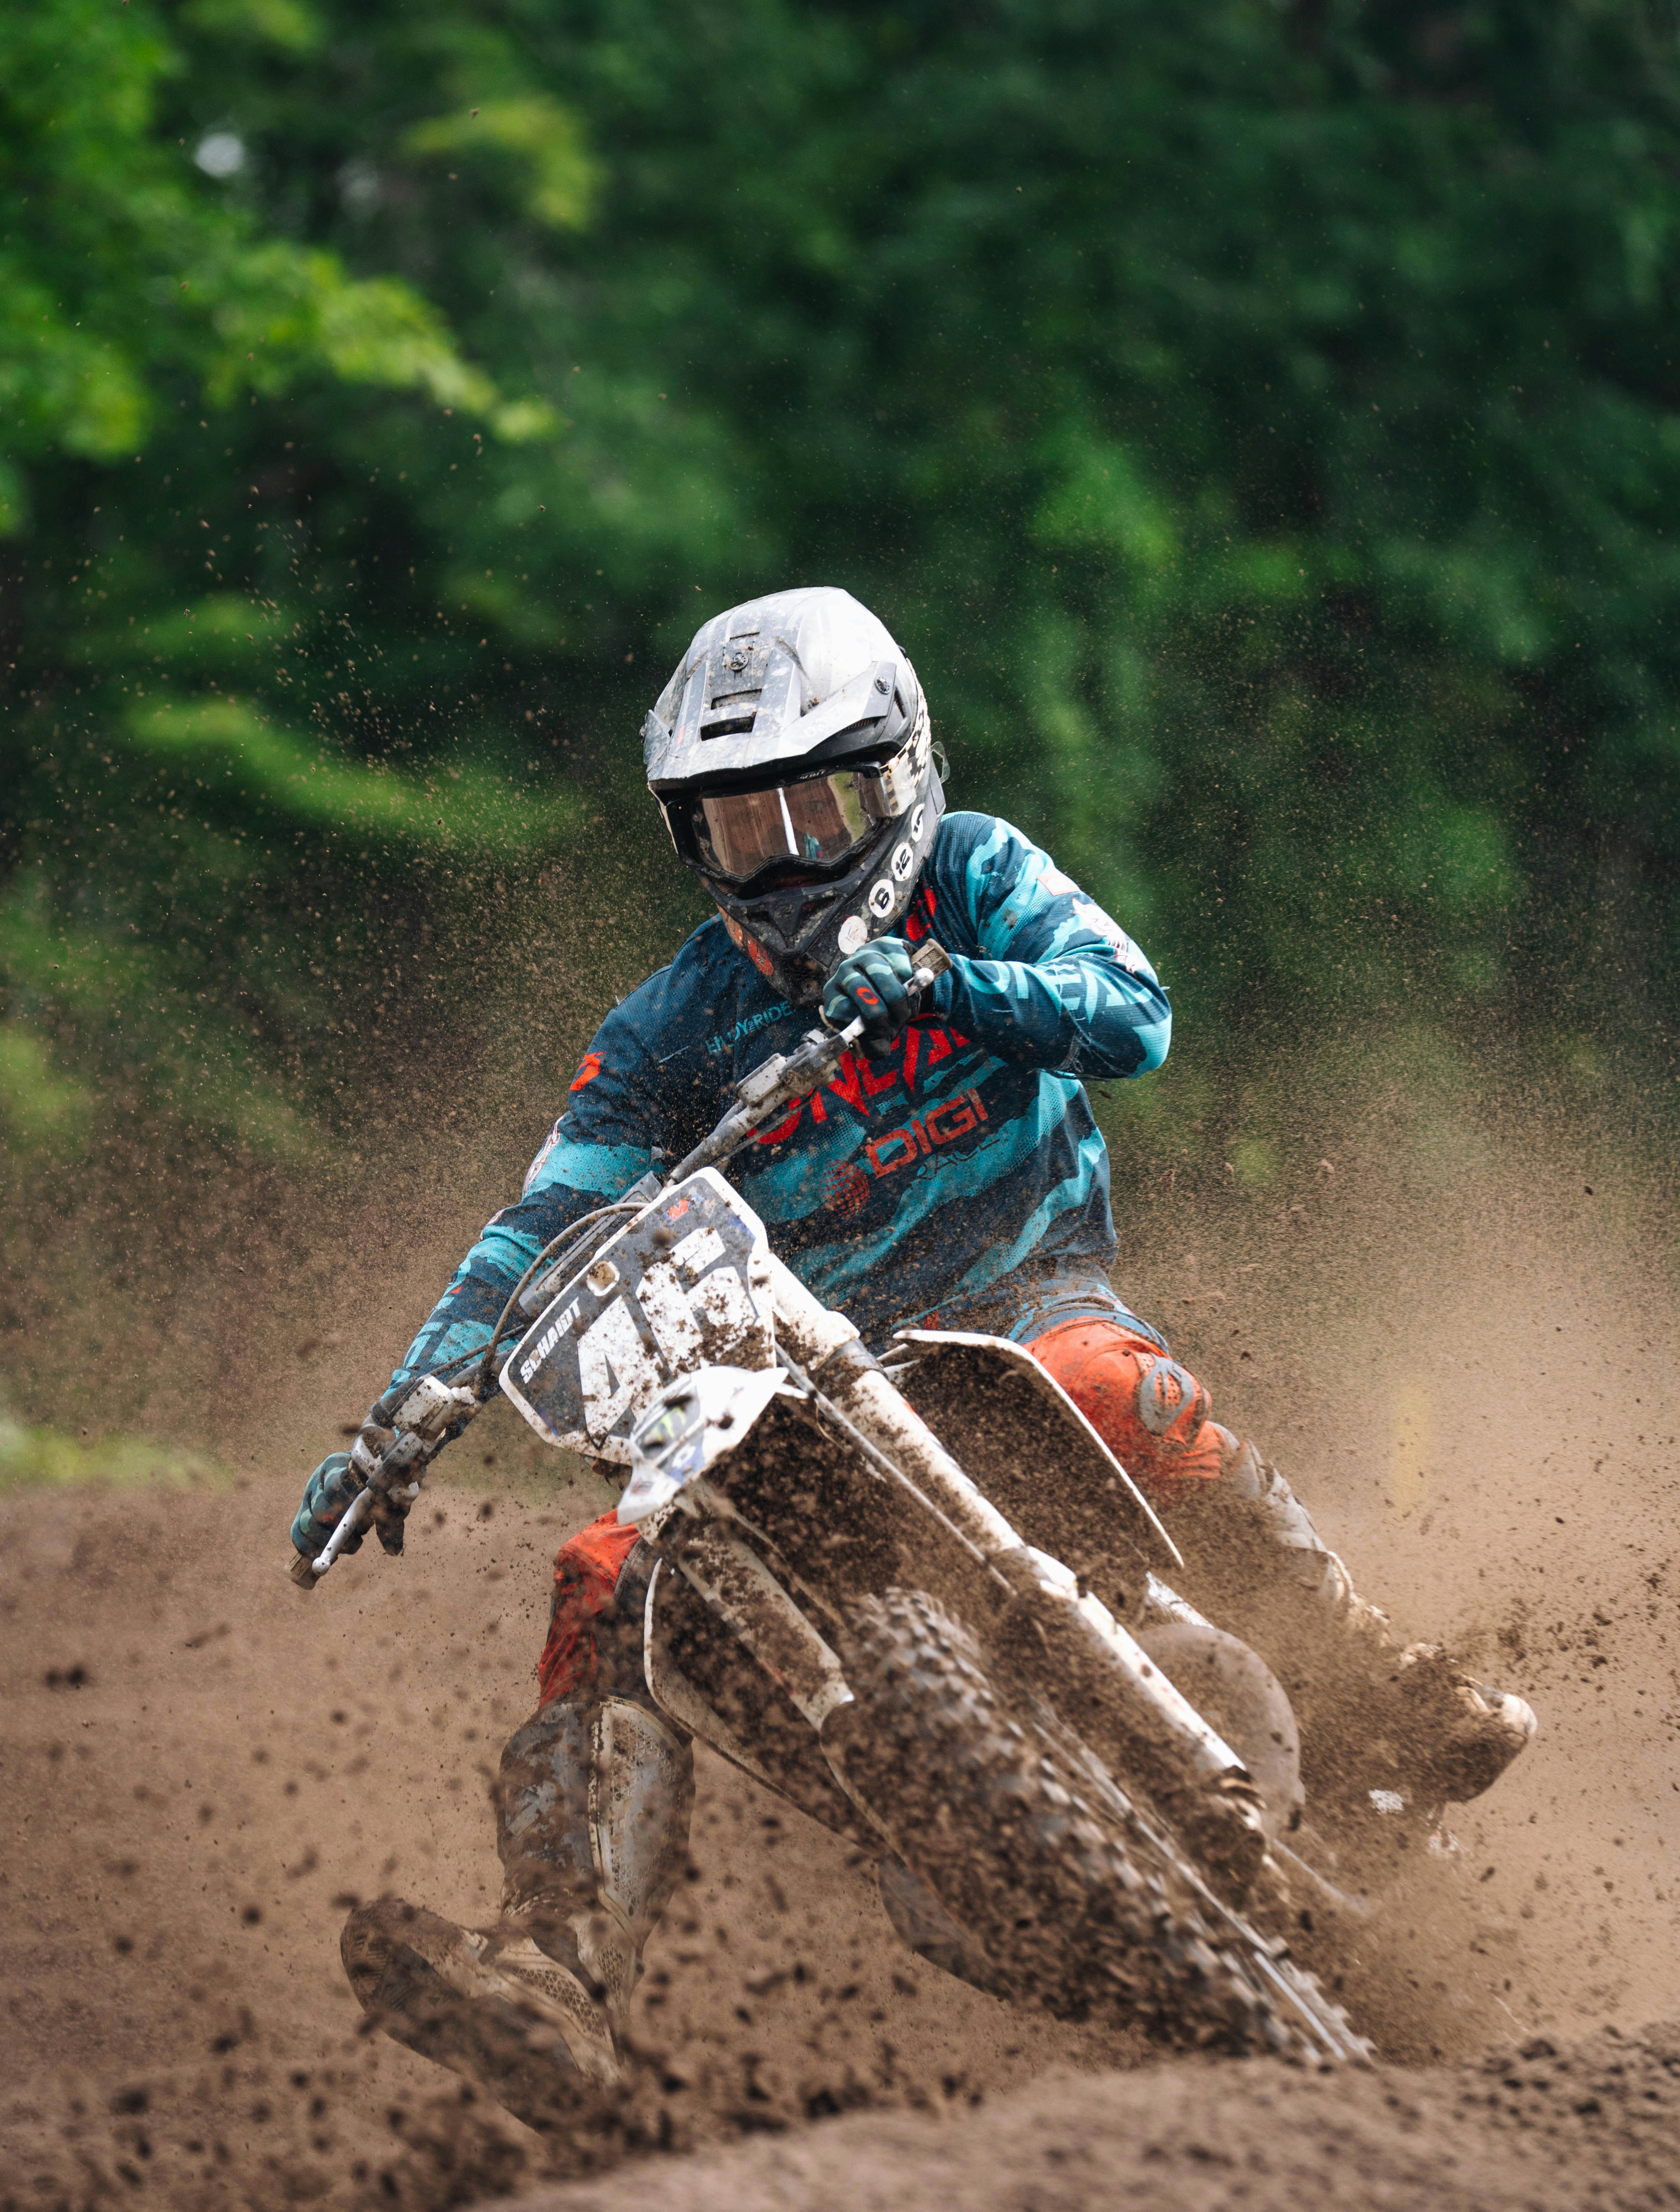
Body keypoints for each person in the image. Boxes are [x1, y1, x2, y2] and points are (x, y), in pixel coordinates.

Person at [291, 586, 1534, 2119]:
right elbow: (542, 1217)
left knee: (1107, 1384)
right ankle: (556, 1963)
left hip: (1021, 1292)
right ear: (694, 841)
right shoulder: (677, 1020)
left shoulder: (976, 875)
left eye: (819, 810)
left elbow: (1132, 1011)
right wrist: (404, 1413)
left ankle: (1371, 1675)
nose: (792, 858)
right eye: (742, 832)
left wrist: (957, 987)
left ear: (899, 776)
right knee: (604, 1570)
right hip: (796, 1371)